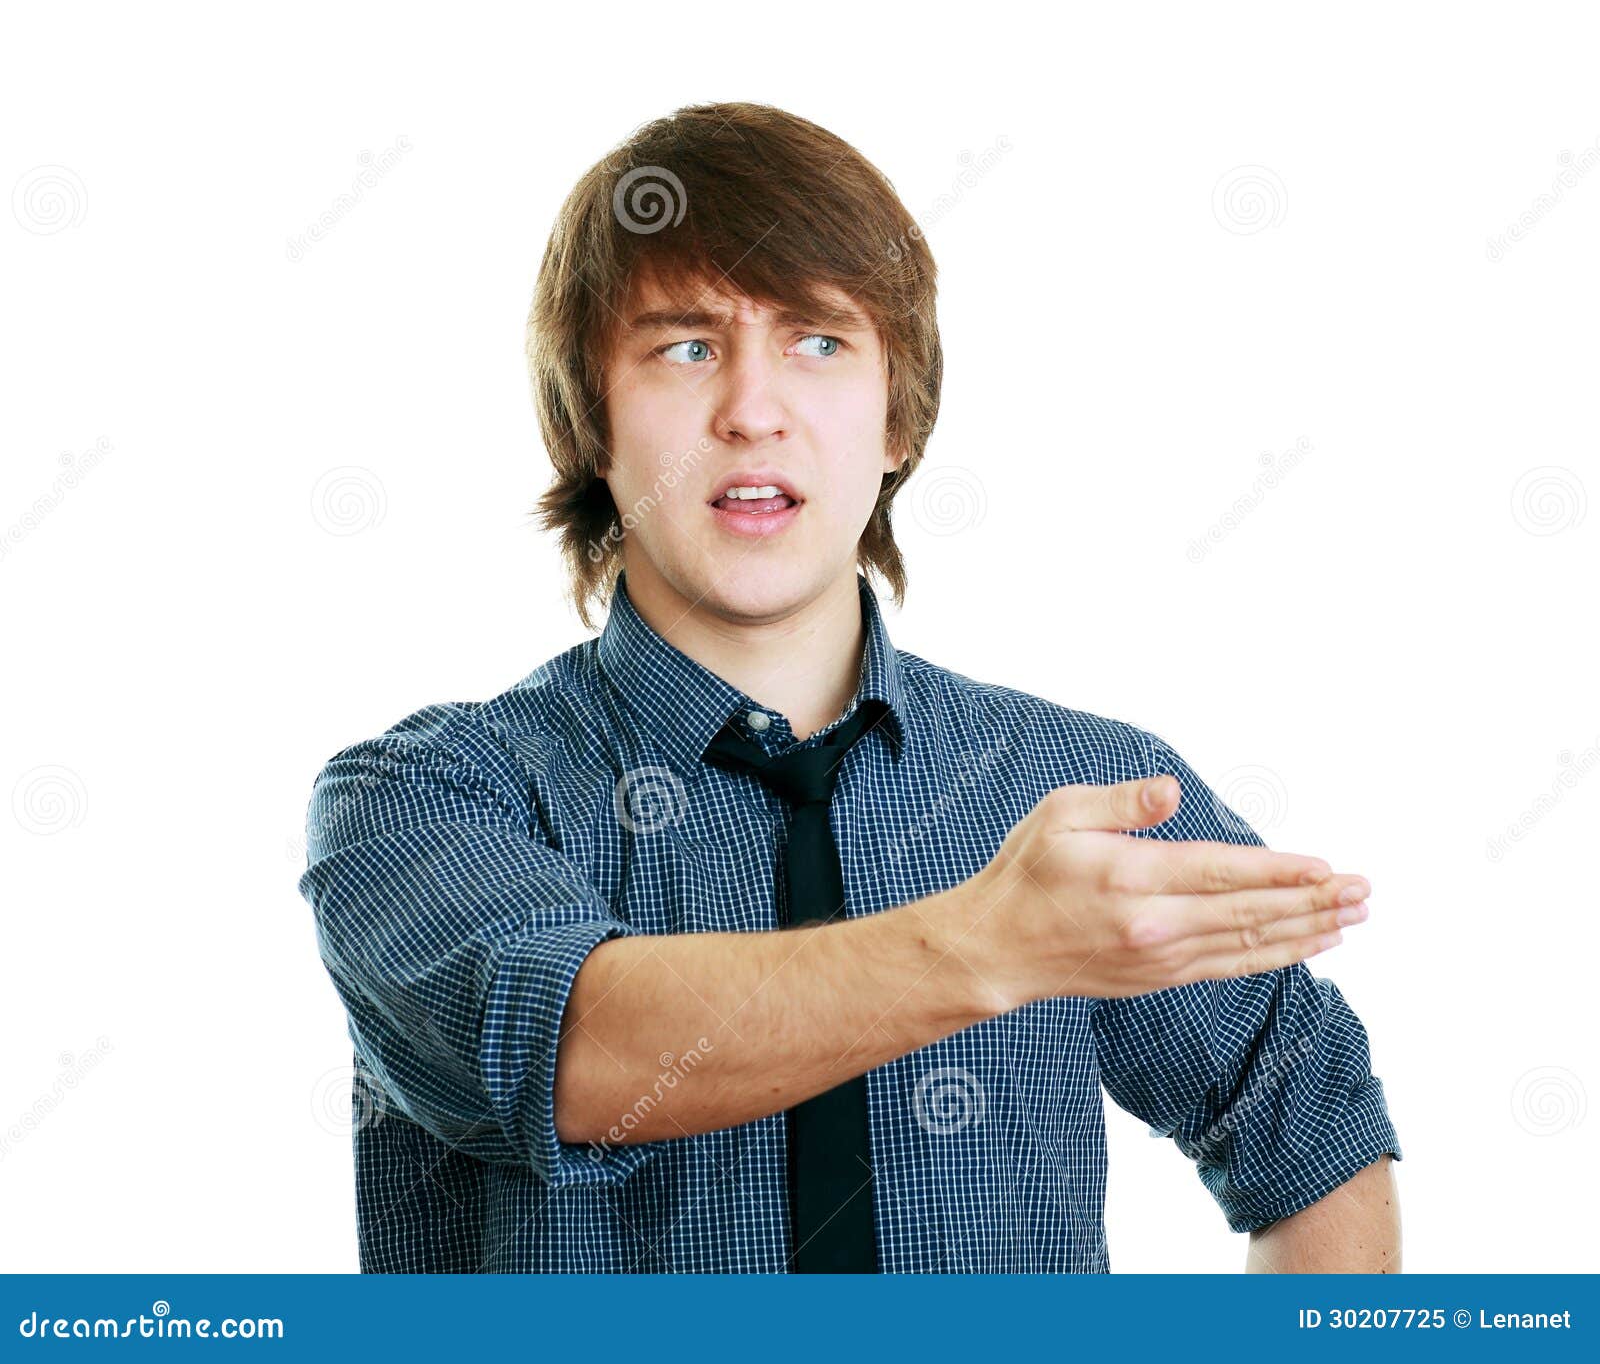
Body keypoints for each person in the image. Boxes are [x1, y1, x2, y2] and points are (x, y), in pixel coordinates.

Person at [297, 101, 1401, 1274]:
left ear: (896, 414)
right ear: (591, 421)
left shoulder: (1080, 795)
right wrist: (986, 945)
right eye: (685, 345)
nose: (751, 409)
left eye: (819, 342)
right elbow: (576, 1049)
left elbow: (1314, 1133)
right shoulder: (420, 799)